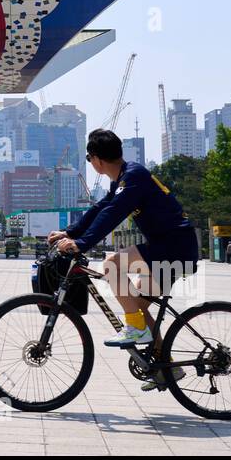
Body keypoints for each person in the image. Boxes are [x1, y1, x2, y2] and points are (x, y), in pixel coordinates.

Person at [48, 129, 198, 390]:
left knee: (112, 265)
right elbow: (102, 208)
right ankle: (168, 368)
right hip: (171, 248)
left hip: (173, 247)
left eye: (89, 158)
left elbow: (113, 214)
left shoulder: (133, 178)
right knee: (137, 307)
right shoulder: (124, 179)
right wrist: (70, 233)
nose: (90, 163)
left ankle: (135, 329)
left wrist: (82, 244)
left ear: (97, 159)